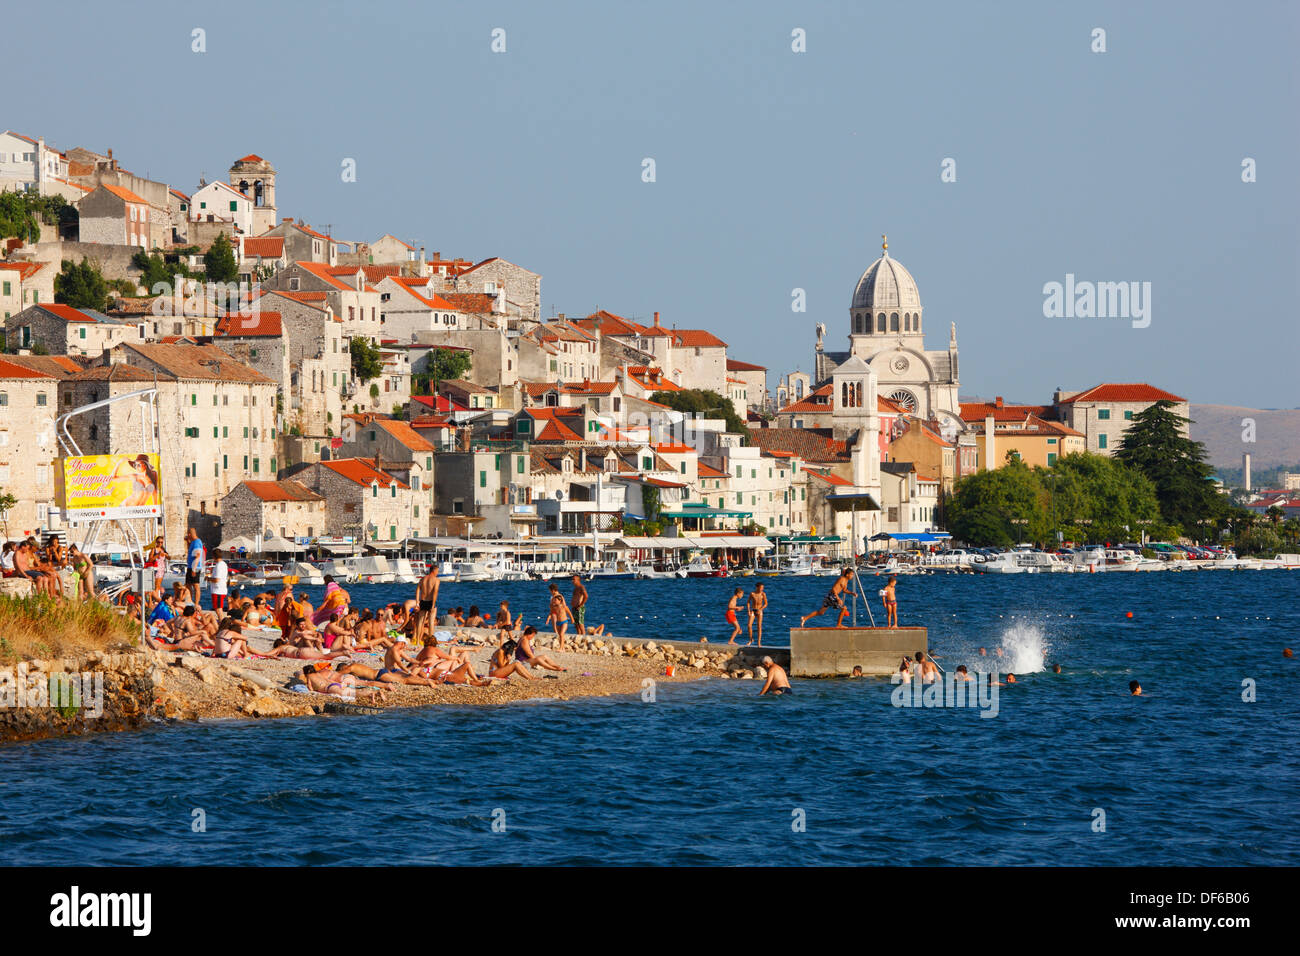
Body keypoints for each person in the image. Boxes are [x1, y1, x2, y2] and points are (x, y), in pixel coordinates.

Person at [184, 528, 205, 606]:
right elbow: (190, 549)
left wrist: (193, 569)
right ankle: (190, 602)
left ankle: (196, 603)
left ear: (189, 534)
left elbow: (197, 555)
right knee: (188, 584)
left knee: (196, 585)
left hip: (194, 567)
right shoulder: (193, 542)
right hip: (190, 566)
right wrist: (187, 542)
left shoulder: (197, 542)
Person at [547, 584, 571, 650]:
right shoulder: (554, 598)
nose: (550, 592)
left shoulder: (559, 597)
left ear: (553, 590)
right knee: (560, 635)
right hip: (558, 619)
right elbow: (552, 609)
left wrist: (571, 618)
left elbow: (565, 607)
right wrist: (548, 617)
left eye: (550, 591)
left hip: (563, 619)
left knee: (561, 634)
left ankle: (561, 648)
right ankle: (562, 647)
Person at [207, 548, 229, 612]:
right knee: (217, 610)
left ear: (214, 556)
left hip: (218, 591)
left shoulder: (219, 565)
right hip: (221, 590)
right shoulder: (224, 564)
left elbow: (217, 579)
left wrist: (208, 579)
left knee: (218, 610)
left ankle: (222, 621)